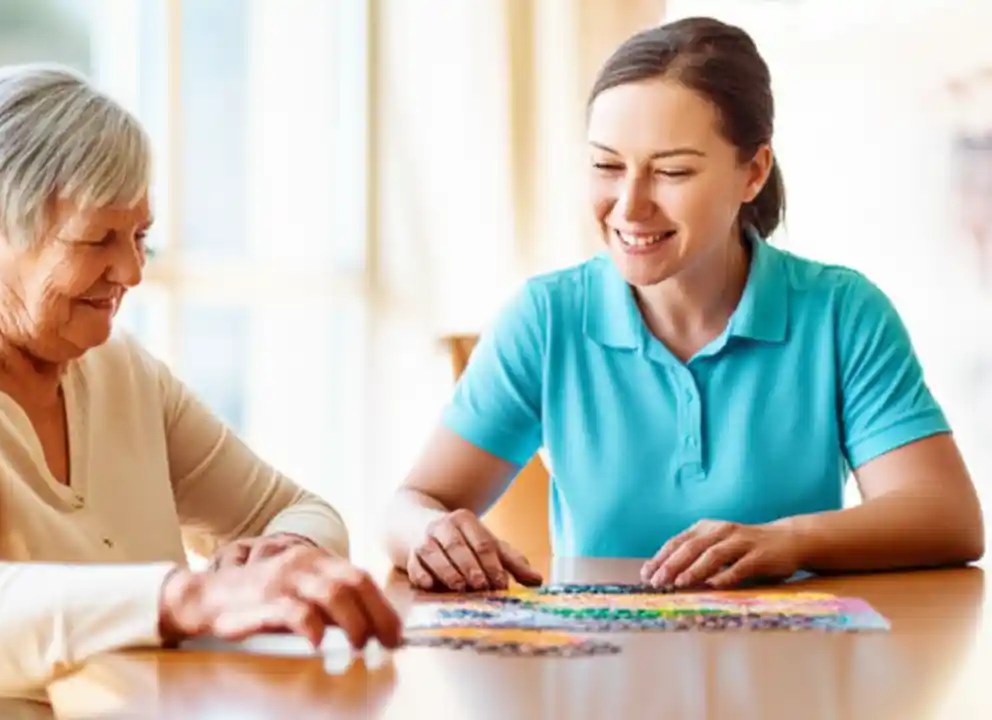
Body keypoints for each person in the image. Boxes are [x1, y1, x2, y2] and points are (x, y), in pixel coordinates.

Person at [0, 64, 400, 719]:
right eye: (96, 239)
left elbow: (300, 509)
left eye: (139, 237)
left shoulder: (120, 371)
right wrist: (191, 598)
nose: (132, 271)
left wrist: (285, 557)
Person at [386, 16, 984, 594]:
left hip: (791, 672)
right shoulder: (546, 319)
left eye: (671, 171)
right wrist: (430, 532)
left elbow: (946, 515)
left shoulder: (840, 312)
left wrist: (790, 541)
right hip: (597, 679)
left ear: (752, 172)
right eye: (606, 166)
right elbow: (410, 508)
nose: (630, 206)